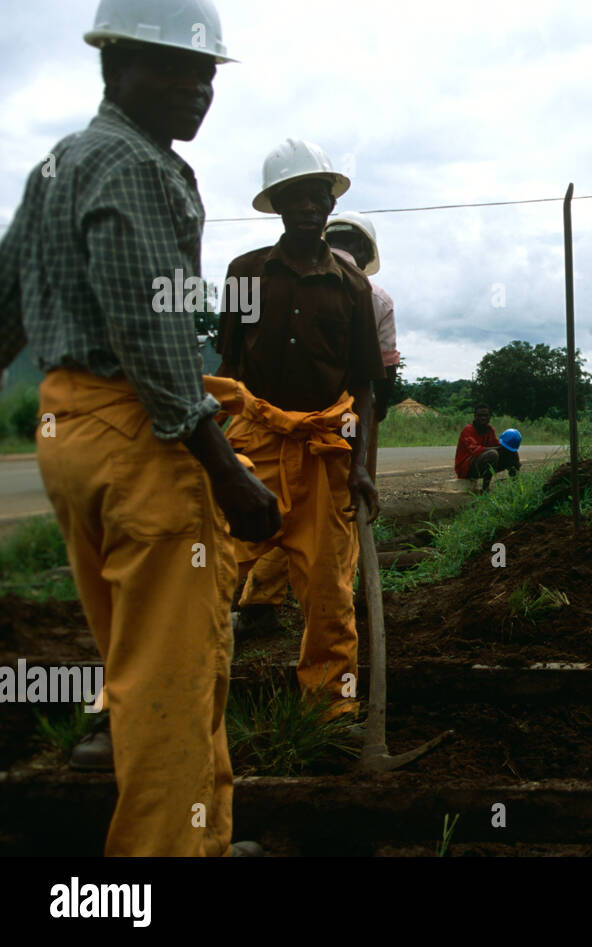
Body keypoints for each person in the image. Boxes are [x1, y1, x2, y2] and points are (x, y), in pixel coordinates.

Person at [0, 0, 281, 856]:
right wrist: (226, 467)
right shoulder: (131, 166)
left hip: (68, 430)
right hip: (140, 437)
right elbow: (150, 332)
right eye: (175, 69)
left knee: (143, 657)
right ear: (114, 64)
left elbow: (8, 301)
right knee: (174, 677)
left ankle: (201, 835)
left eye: (206, 75)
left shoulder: (60, 164)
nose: (198, 90)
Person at [216, 138, 385, 720]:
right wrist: (211, 443)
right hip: (253, 438)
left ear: (329, 206)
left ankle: (330, 709)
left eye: (319, 196)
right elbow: (228, 367)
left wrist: (361, 465)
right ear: (279, 206)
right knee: (210, 564)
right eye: (297, 197)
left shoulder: (352, 286)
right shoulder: (244, 272)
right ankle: (183, 688)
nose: (310, 207)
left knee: (329, 590)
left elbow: (365, 381)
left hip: (322, 448)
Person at [234, 211, 398, 635]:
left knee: (272, 517)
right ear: (365, 250)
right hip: (335, 430)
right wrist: (369, 428)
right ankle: (331, 631)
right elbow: (380, 372)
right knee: (325, 529)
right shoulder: (373, 294)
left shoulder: (254, 273)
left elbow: (231, 361)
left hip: (259, 429)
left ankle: (258, 603)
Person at [455, 403, 520, 491]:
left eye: (485, 415)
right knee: (492, 454)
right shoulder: (468, 430)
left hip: (481, 463)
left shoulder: (490, 430)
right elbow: (475, 450)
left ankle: (515, 486)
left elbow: (497, 445)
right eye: (480, 415)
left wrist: (511, 455)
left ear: (489, 417)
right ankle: (485, 489)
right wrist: (498, 449)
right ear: (475, 416)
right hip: (466, 468)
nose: (483, 418)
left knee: (511, 452)